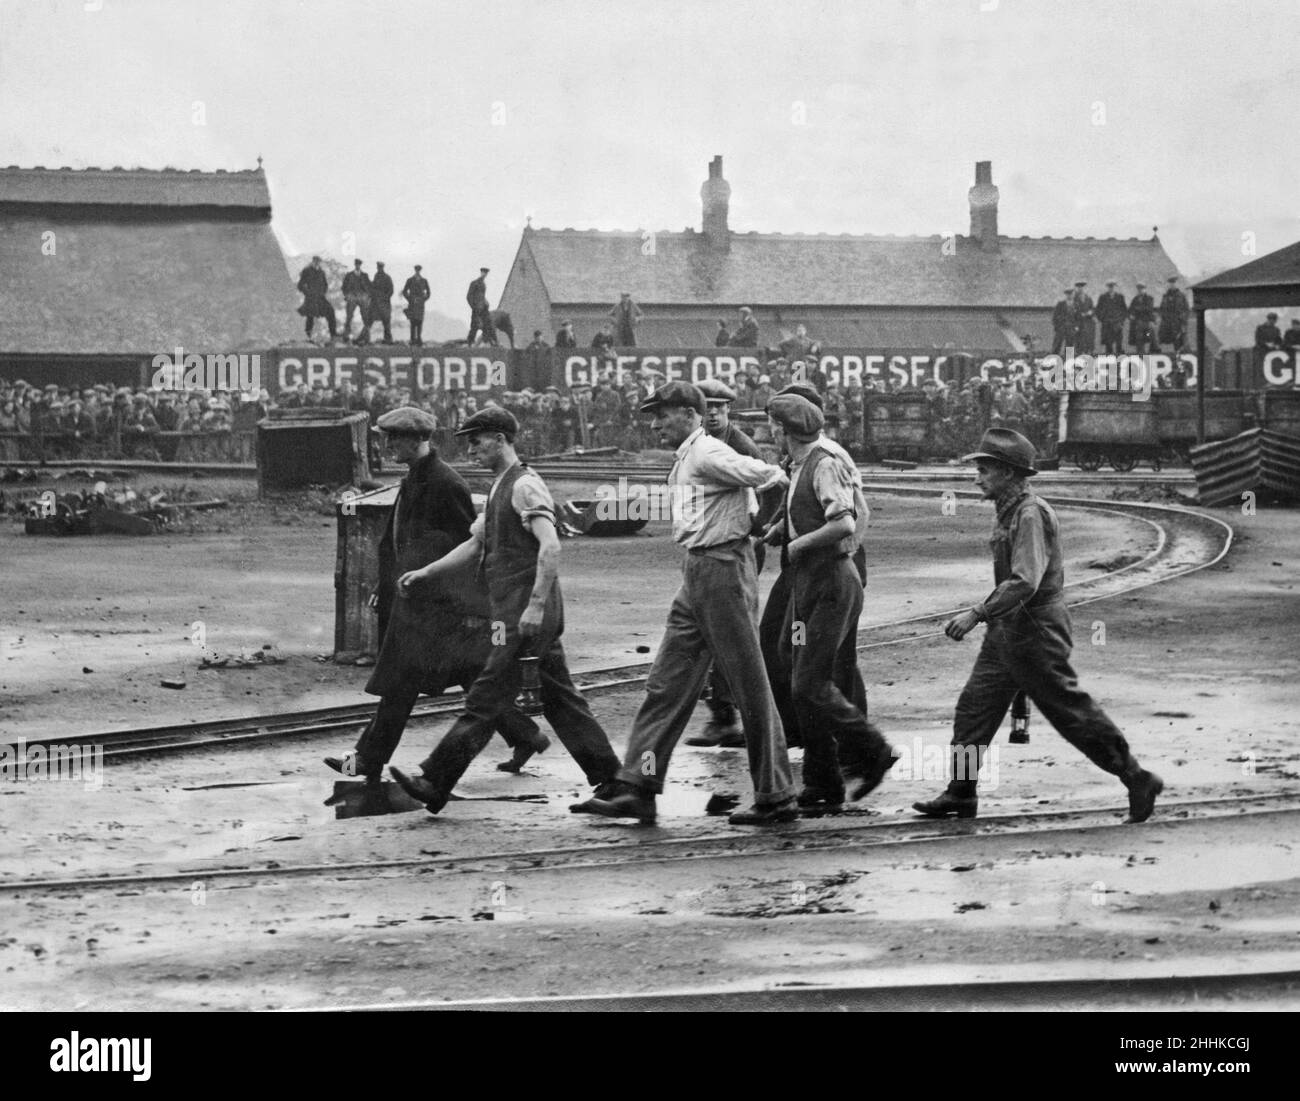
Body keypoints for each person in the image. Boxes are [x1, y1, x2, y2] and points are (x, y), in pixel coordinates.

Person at [572, 381, 798, 827]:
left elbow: (773, 476)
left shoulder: (708, 452)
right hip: (697, 572)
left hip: (722, 571)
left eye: (662, 415)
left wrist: (761, 527)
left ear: (690, 415)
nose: (655, 424)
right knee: (668, 682)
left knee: (749, 683)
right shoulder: (689, 456)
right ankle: (638, 786)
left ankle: (776, 795)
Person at [912, 428, 1164, 823]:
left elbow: (1025, 579)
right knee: (973, 710)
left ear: (1010, 473)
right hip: (1009, 630)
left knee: (1071, 714)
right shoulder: (1011, 510)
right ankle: (960, 792)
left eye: (985, 469)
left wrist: (977, 612)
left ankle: (1136, 777)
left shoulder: (1029, 514)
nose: (977, 477)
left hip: (1036, 632)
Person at [389, 408, 622, 814]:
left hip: (527, 615)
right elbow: (476, 544)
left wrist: (534, 606)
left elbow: (551, 546)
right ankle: (614, 781)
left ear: (500, 438)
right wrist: (426, 572)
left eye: (477, 440)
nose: (471, 448)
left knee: (486, 695)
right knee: (561, 700)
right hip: (515, 613)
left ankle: (435, 780)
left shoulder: (525, 486)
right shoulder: (501, 487)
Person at [324, 408, 547, 782]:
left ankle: (367, 760)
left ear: (417, 440)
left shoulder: (445, 483)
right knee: (468, 676)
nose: (388, 445)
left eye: (394, 438)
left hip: (440, 607)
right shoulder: (415, 478)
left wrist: (448, 598)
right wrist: (386, 583)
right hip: (418, 600)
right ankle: (526, 734)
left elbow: (467, 545)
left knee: (402, 681)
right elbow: (397, 540)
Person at [764, 393, 896, 815]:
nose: (767, 431)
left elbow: (844, 522)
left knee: (810, 681)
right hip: (809, 584)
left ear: (781, 429)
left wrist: (797, 544)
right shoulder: (800, 464)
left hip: (833, 585)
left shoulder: (824, 463)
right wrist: (778, 529)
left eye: (770, 425)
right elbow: (807, 510)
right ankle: (822, 781)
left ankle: (873, 750)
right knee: (792, 664)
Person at [684, 377, 765, 749]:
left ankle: (732, 719)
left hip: (733, 548)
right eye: (707, 408)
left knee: (732, 635)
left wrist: (759, 529)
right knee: (717, 633)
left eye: (719, 408)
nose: (713, 414)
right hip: (709, 546)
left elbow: (771, 488)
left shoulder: (741, 446)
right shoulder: (698, 443)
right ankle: (724, 716)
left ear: (729, 409)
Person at [297, 255, 336, 342]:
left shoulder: (321, 272)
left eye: (318, 261)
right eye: (315, 261)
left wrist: (322, 292)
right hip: (310, 298)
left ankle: (333, 335)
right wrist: (308, 292)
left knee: (330, 311)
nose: (317, 263)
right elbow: (300, 285)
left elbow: (325, 285)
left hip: (320, 298)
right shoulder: (306, 271)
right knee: (310, 317)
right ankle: (307, 336)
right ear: (313, 261)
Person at [360, 261, 394, 345]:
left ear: (382, 268)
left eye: (380, 267)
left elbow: (391, 291)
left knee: (386, 321)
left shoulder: (387, 278)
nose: (379, 269)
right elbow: (372, 288)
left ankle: (388, 339)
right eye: (378, 267)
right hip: (375, 304)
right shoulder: (376, 276)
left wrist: (384, 298)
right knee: (369, 320)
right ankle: (364, 338)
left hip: (384, 304)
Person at [342, 259, 372, 342]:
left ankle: (366, 337)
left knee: (365, 316)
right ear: (355, 265)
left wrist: (367, 297)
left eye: (359, 264)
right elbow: (344, 287)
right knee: (349, 316)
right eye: (356, 264)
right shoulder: (349, 275)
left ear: (360, 265)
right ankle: (346, 336)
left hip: (362, 297)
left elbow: (369, 287)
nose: (357, 266)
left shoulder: (364, 275)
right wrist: (347, 295)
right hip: (352, 297)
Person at [1096, 280, 1127, 355]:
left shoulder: (1120, 297)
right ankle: (1109, 363)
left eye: (1112, 286)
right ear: (1107, 287)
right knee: (1108, 344)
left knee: (1119, 344)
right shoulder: (1103, 297)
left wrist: (1121, 322)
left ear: (1115, 287)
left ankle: (1119, 362)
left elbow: (1124, 310)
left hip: (1117, 324)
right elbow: (1098, 310)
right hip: (1107, 324)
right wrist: (1103, 319)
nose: (1111, 288)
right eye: (1109, 286)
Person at [1159, 275, 1189, 354]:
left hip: (1178, 323)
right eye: (1170, 283)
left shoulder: (1181, 296)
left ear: (1177, 284)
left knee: (1180, 344)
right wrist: (1164, 318)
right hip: (1167, 324)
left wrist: (1183, 320)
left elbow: (1186, 310)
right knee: (1165, 343)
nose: (1172, 285)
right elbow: (1161, 309)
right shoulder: (1165, 296)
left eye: (1174, 283)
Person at [403, 265, 431, 346]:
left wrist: (423, 300)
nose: (417, 272)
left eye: (419, 270)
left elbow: (428, 293)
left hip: (420, 305)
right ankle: (412, 339)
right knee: (412, 322)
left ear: (420, 271)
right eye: (416, 270)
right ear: (415, 271)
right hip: (412, 304)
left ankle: (418, 338)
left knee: (419, 321)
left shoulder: (424, 281)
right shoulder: (410, 280)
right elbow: (405, 291)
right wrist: (410, 299)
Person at [467, 267, 495, 345]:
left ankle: (487, 341)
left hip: (483, 308)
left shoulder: (483, 284)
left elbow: (482, 296)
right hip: (476, 308)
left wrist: (486, 302)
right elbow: (469, 296)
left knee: (488, 324)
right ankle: (470, 342)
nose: (484, 275)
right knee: (474, 326)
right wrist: (474, 307)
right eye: (483, 273)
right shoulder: (474, 283)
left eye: (486, 274)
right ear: (481, 273)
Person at [1128, 282, 1157, 353]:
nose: (1140, 290)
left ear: (1145, 289)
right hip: (1137, 325)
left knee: (1149, 337)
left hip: (1147, 324)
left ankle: (1152, 352)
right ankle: (1141, 353)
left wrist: (1137, 310)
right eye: (1139, 289)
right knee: (1139, 340)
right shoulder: (1135, 299)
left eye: (1142, 289)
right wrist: (1131, 315)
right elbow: (1130, 310)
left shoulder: (1149, 298)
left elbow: (1148, 309)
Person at [1070, 281, 1095, 354]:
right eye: (1079, 287)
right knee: (1079, 341)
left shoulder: (1088, 298)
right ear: (1077, 288)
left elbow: (1092, 308)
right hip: (1079, 323)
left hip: (1088, 323)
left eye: (1082, 287)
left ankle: (1088, 353)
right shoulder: (1074, 299)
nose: (1080, 289)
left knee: (1088, 340)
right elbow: (1072, 312)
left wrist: (1090, 312)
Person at [1051, 288, 1073, 355]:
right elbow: (1054, 317)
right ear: (1065, 295)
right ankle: (1054, 358)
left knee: (1069, 346)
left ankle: (1069, 361)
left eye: (1070, 294)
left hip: (1071, 329)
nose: (1069, 296)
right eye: (1067, 294)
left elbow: (1078, 318)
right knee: (1057, 344)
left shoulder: (1075, 305)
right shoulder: (1060, 304)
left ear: (1072, 295)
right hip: (1061, 328)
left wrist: (1076, 327)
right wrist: (1057, 327)